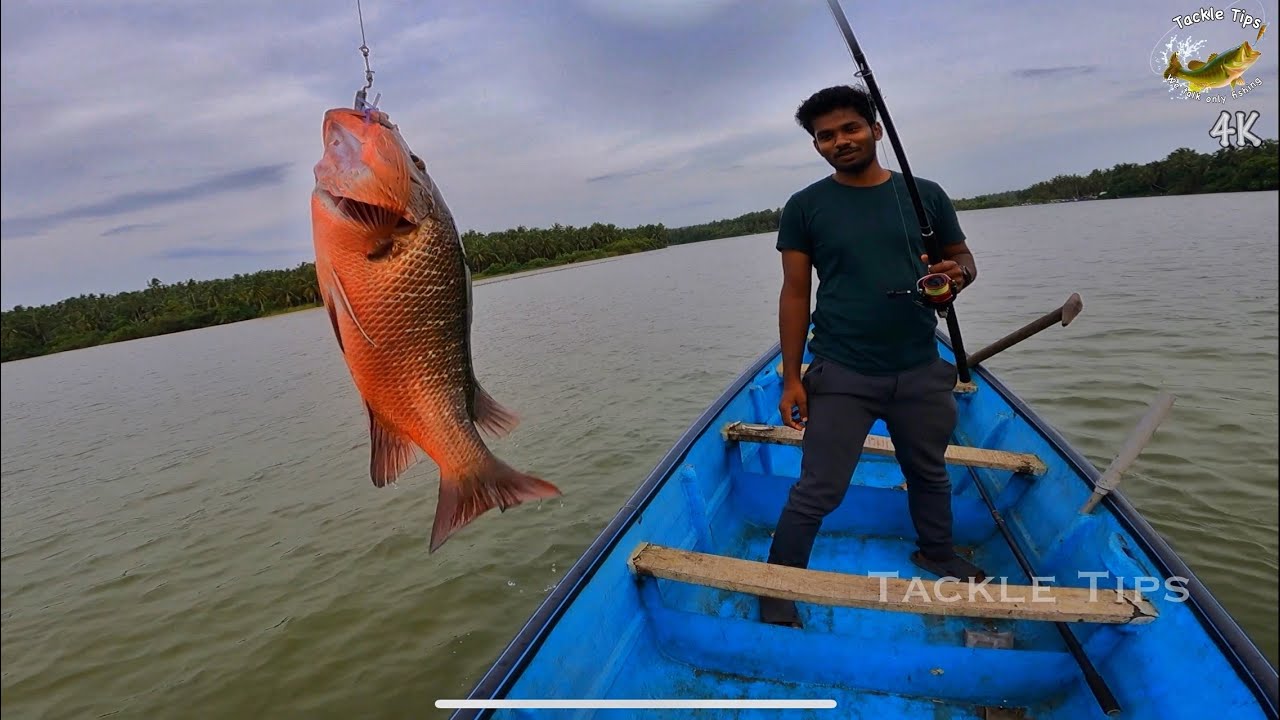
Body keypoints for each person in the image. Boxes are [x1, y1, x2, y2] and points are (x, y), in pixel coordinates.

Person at [761, 84, 985, 628]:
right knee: (819, 488)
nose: (840, 141)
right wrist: (792, 378)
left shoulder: (924, 194)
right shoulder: (805, 207)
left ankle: (937, 552)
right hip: (842, 369)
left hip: (919, 367)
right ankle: (777, 588)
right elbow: (795, 292)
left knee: (928, 470)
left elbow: (963, 259)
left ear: (876, 130)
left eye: (850, 128)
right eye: (826, 136)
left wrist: (958, 276)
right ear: (816, 146)